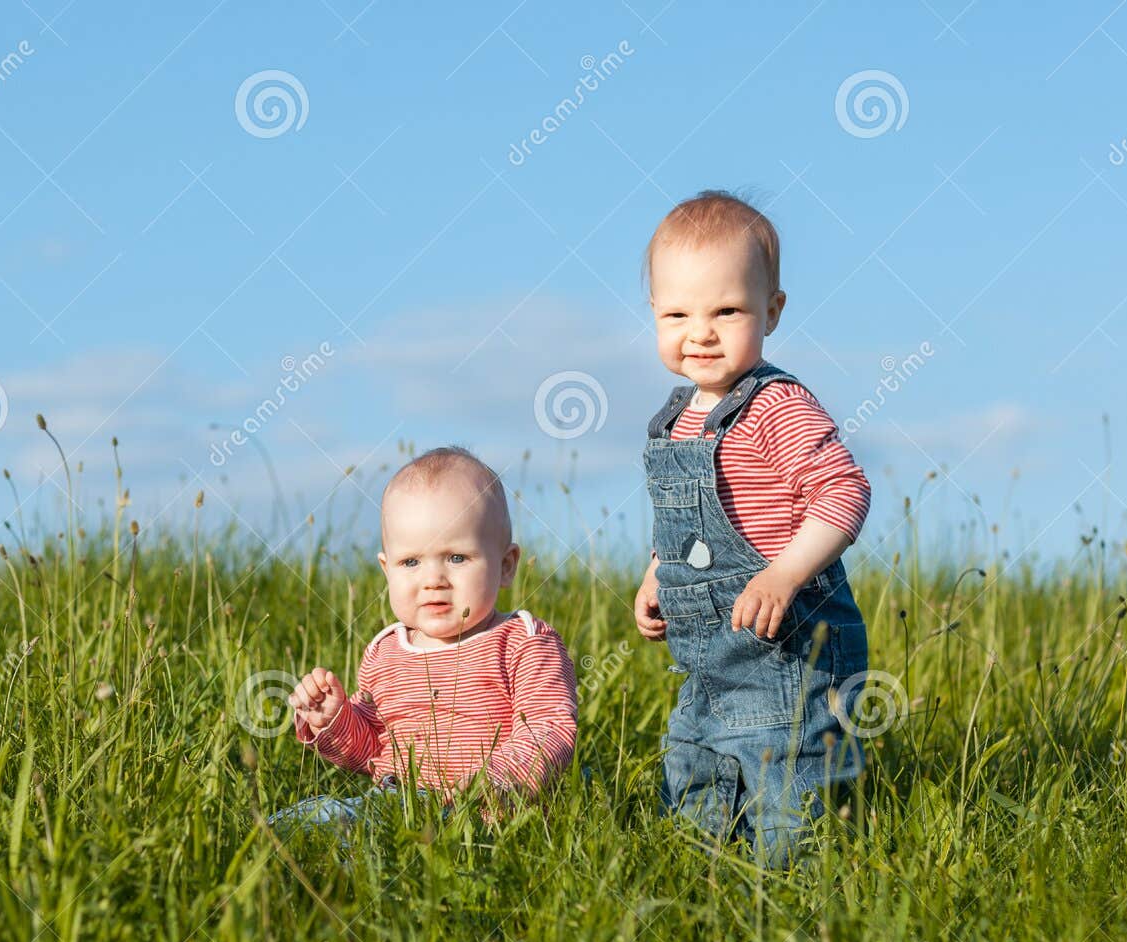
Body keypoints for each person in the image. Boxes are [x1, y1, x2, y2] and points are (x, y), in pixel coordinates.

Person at [634, 190, 872, 869]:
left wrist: (786, 571)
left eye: (727, 311)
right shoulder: (673, 421)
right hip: (706, 660)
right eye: (678, 313)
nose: (700, 332)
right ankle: (706, 885)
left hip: (789, 650)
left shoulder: (777, 406)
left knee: (787, 770)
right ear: (654, 312)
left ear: (771, 311)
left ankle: (802, 892)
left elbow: (844, 490)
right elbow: (683, 523)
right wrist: (657, 576)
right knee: (696, 761)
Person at [272, 446, 578, 832]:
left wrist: (498, 779)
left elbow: (549, 726)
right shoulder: (386, 652)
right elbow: (370, 751)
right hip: (395, 802)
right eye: (411, 562)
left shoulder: (521, 642)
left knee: (337, 826)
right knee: (303, 824)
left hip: (484, 813)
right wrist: (333, 721)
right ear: (387, 570)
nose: (433, 579)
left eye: (456, 558)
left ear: (505, 566)